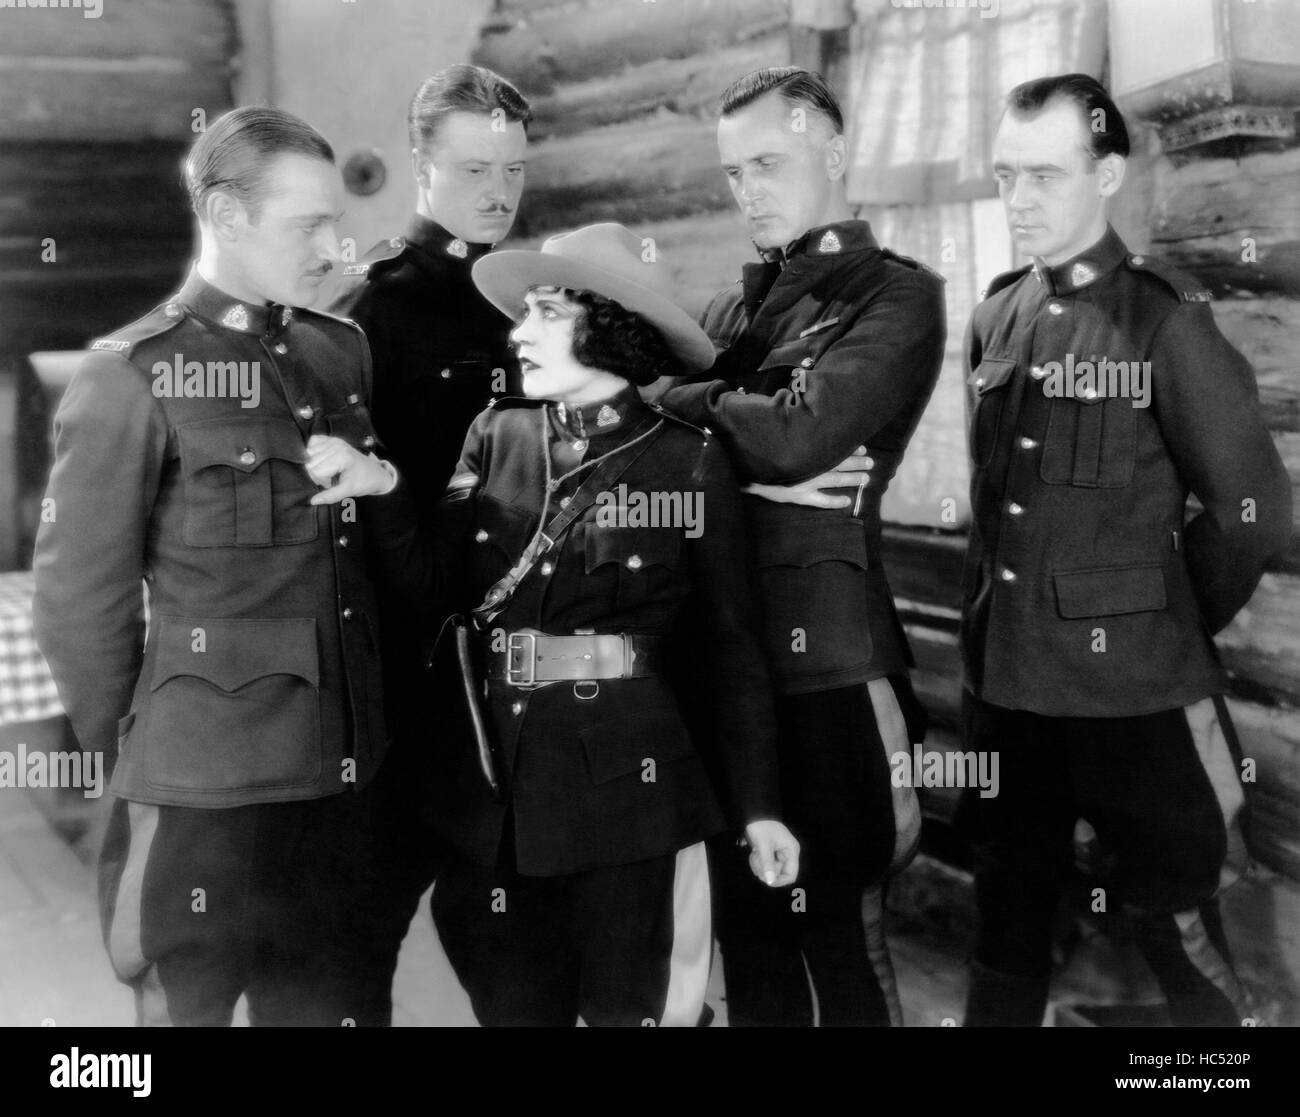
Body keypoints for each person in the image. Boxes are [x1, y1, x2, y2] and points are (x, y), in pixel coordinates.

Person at [307, 222, 800, 1026]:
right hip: (494, 798)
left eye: (545, 313)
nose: (517, 334)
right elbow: (437, 585)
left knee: (630, 1009)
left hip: (626, 800)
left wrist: (759, 807)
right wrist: (382, 483)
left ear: (607, 325)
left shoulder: (688, 462)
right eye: (522, 314)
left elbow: (731, 650)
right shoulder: (495, 434)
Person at [32, 107, 394, 1026]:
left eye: (334, 221)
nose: (331, 243)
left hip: (341, 778)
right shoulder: (129, 374)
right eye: (307, 223)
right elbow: (80, 606)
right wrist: (147, 749)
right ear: (227, 216)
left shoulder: (334, 351)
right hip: (202, 791)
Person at [960, 73, 1292, 1027]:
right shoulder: (996, 314)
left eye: (1044, 177)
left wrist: (1155, 614)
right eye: (1004, 176)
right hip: (1012, 694)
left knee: (1174, 916)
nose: (1018, 201)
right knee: (1008, 915)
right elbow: (999, 516)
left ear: (1106, 175)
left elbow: (1254, 510)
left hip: (1135, 700)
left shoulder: (1163, 320)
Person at [657, 66, 947, 1027]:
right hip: (725, 676)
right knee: (752, 947)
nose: (749, 190)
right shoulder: (725, 318)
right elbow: (685, 459)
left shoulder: (896, 298)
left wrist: (686, 404)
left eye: (770, 164)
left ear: (833, 155)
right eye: (734, 171)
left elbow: (799, 439)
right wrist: (737, 429)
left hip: (831, 670)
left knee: (842, 944)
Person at [323, 62, 532, 1020]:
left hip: (515, 676)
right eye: (475, 169)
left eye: (515, 170)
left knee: (514, 939)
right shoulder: (369, 308)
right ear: (421, 166)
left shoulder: (537, 305)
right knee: (358, 934)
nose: (499, 192)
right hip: (405, 681)